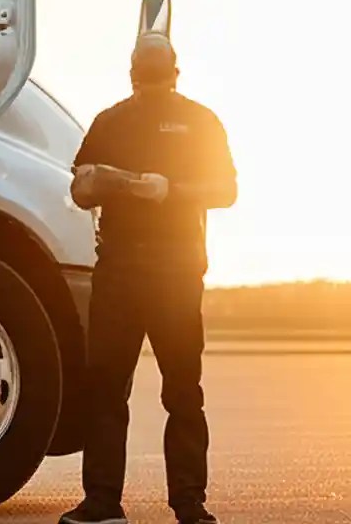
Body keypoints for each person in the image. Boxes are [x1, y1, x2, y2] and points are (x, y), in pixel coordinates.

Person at [59, 31, 236, 524]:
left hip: (175, 271)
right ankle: (104, 502)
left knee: (179, 389)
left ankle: (187, 502)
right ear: (140, 74)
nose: (153, 83)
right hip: (120, 271)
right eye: (148, 75)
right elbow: (79, 188)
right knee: (109, 389)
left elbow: (225, 189)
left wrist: (170, 190)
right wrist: (100, 181)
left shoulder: (200, 121)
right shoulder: (111, 121)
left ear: (168, 74)